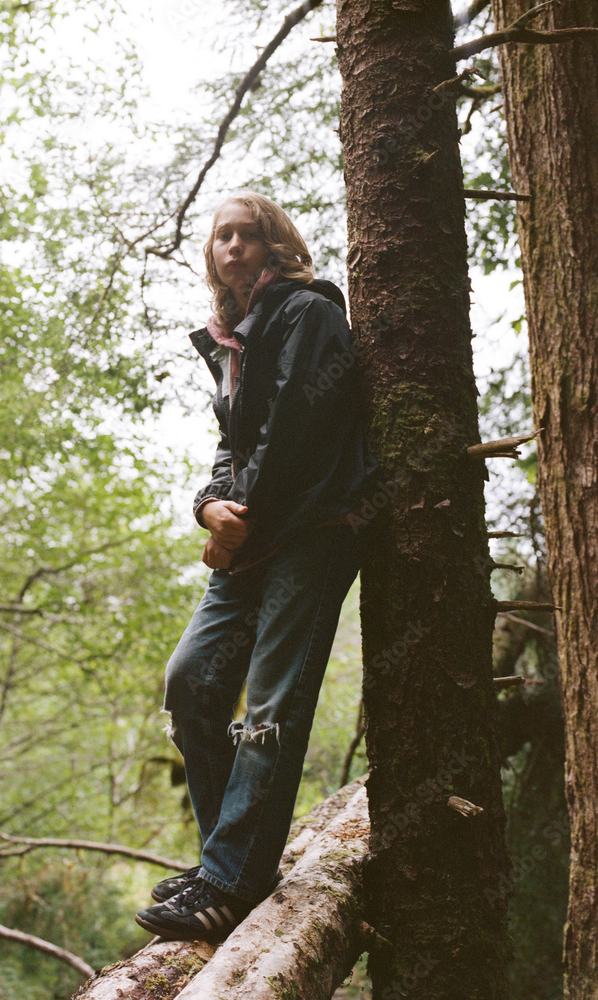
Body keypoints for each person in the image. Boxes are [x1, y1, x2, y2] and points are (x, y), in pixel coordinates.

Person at [134, 191, 377, 942]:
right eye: (222, 236)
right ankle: (225, 862)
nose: (233, 245)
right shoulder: (231, 336)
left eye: (248, 234)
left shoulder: (307, 312)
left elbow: (294, 435)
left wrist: (237, 525)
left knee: (269, 708)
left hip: (310, 530)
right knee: (190, 681)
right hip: (252, 530)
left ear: (275, 245)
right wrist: (207, 504)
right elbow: (236, 447)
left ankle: (230, 880)